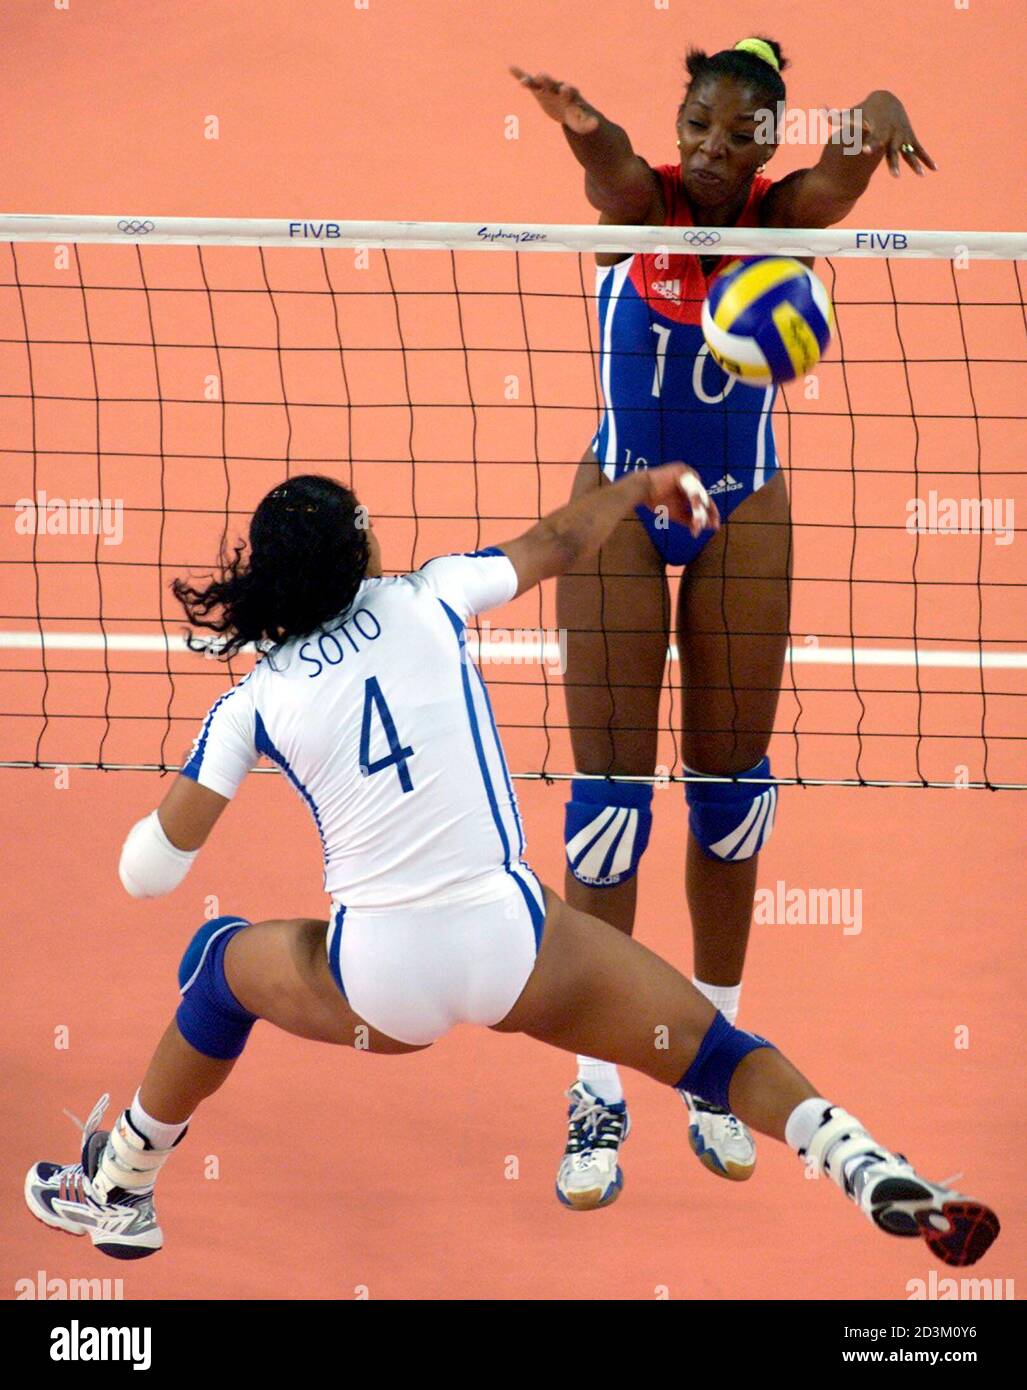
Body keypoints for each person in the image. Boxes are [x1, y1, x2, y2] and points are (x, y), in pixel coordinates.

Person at [25, 470, 996, 1271]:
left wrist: (211, 764)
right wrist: (640, 485)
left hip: (379, 987)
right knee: (713, 1055)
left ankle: (122, 1186)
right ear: (360, 551)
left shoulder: (255, 701)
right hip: (513, 946)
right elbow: (562, 540)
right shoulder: (431, 592)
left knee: (215, 960)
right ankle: (859, 1160)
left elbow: (147, 873)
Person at [511, 37, 937, 1206]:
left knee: (730, 794)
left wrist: (884, 105)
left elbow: (846, 167)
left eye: (738, 131)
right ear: (680, 121)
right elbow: (605, 171)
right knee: (605, 807)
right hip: (613, 510)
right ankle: (595, 1084)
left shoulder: (783, 221)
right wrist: (579, 116)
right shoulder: (642, 202)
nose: (709, 149)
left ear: (766, 142)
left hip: (744, 510)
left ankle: (716, 1059)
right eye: (697, 123)